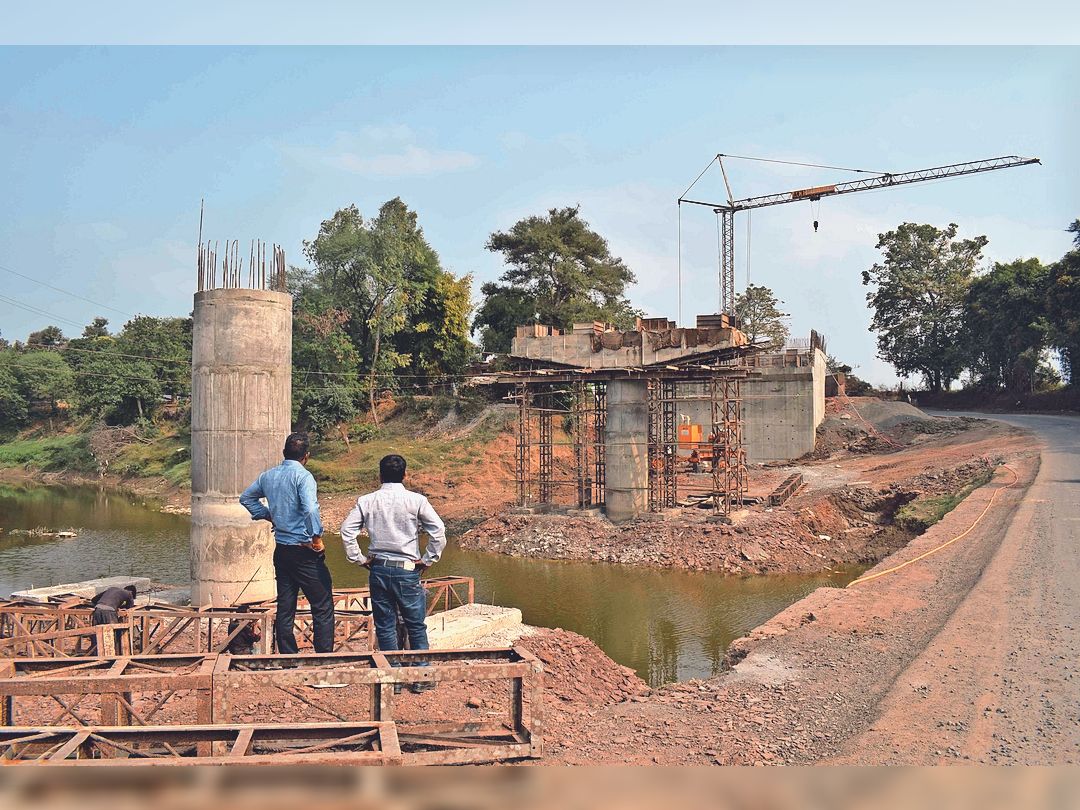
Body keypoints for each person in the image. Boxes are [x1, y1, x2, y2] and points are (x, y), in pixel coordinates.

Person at [339, 454, 446, 693]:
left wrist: (360, 559)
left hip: (378, 569)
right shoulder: (416, 500)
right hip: (407, 571)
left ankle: (393, 678)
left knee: (385, 625)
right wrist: (428, 560)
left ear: (380, 475)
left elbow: (347, 531)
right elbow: (438, 532)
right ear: (405, 475)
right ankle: (422, 676)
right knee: (416, 625)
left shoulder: (367, 501)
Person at [240, 432, 334, 654]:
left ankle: (288, 657)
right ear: (306, 456)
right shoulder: (303, 477)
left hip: (282, 551)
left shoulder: (268, 476)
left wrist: (267, 514)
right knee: (322, 607)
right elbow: (311, 508)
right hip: (304, 551)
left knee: (285, 607)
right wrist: (317, 538)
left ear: (284, 453)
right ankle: (323, 660)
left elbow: (246, 498)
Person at [89, 585, 136, 654]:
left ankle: (95, 654)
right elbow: (130, 607)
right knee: (113, 633)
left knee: (96, 633)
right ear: (132, 592)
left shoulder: (112, 589)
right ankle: (113, 654)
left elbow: (94, 599)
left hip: (98, 609)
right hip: (109, 612)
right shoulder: (129, 593)